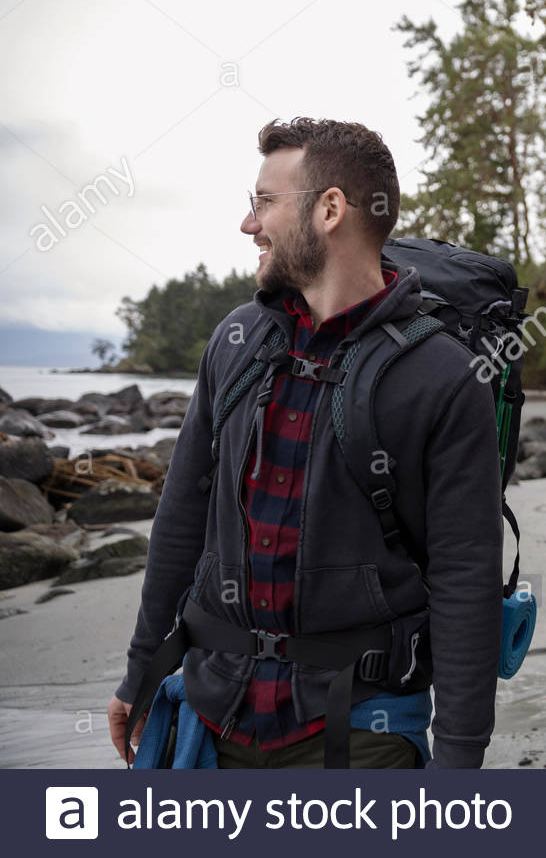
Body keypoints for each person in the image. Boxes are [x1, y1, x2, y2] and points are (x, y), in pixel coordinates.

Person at [107, 118, 503, 769]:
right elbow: (181, 518)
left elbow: (466, 580)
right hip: (214, 714)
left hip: (359, 730)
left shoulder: (444, 376)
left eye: (264, 202)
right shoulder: (235, 343)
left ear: (329, 210)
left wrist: (459, 760)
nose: (247, 224)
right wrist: (142, 672)